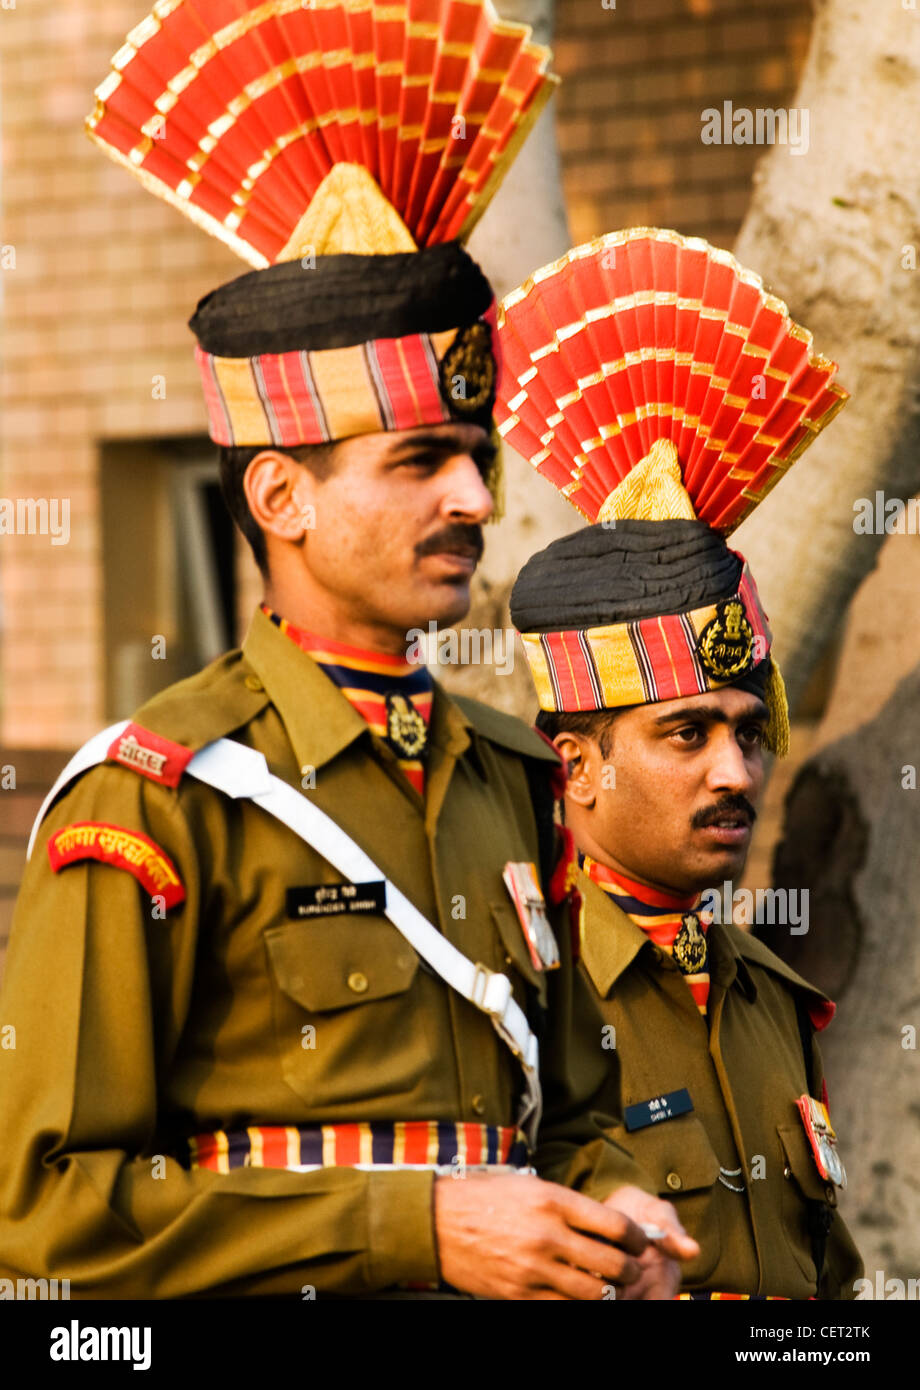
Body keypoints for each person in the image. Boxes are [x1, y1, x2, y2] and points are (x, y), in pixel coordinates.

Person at [0, 6, 695, 1300]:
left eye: (479, 462)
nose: (479, 503)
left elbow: (585, 1112)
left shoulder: (522, 781)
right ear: (281, 499)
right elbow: (43, 1204)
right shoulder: (153, 802)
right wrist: (411, 1229)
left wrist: (616, 1211)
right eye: (423, 461)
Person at [502, 228, 865, 1300]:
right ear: (575, 764)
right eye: (684, 732)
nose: (736, 773)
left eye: (748, 732)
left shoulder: (764, 993)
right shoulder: (519, 995)